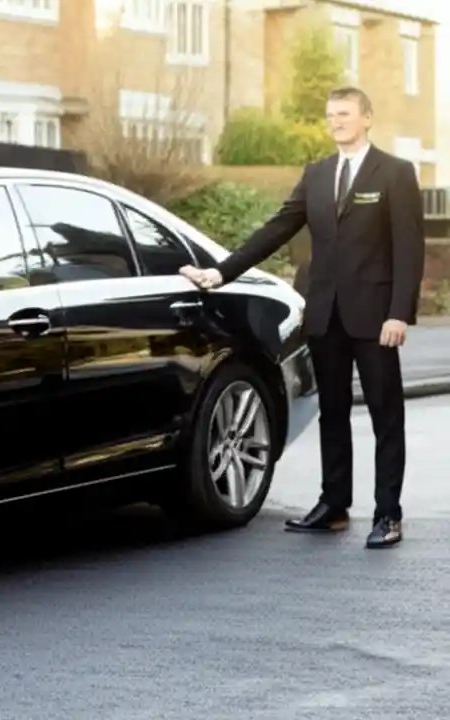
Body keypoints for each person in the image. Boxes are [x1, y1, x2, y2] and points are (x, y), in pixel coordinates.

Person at [179, 86, 425, 549]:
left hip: (376, 318)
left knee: (384, 417)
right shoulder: (316, 174)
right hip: (324, 315)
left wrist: (399, 313)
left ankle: (388, 514)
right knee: (332, 414)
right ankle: (334, 506)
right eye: (331, 115)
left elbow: (409, 249)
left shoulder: (394, 172)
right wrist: (221, 271)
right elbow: (277, 228)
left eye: (346, 114)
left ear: (367, 118)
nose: (337, 122)